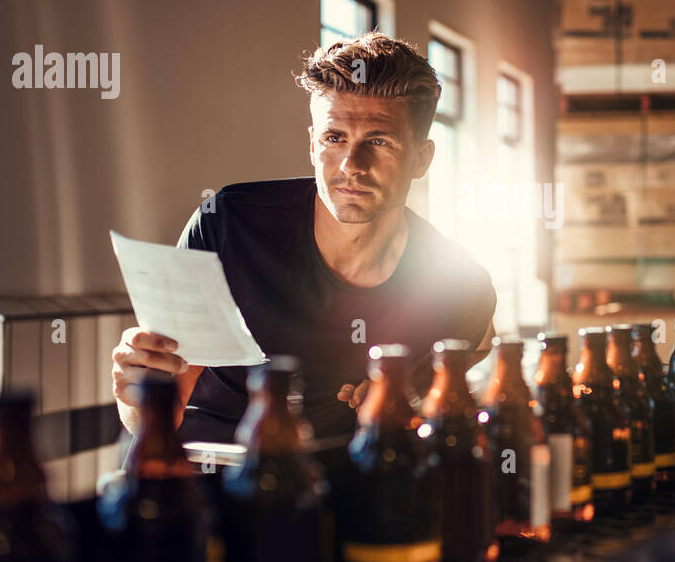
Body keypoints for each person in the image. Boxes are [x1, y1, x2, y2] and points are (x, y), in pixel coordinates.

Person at [110, 31, 497, 447]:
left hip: (342, 481)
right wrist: (134, 393)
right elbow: (153, 417)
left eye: (379, 141)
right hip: (208, 468)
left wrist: (418, 390)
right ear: (313, 145)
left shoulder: (459, 285)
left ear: (421, 158)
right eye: (334, 138)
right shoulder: (229, 224)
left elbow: (479, 344)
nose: (351, 165)